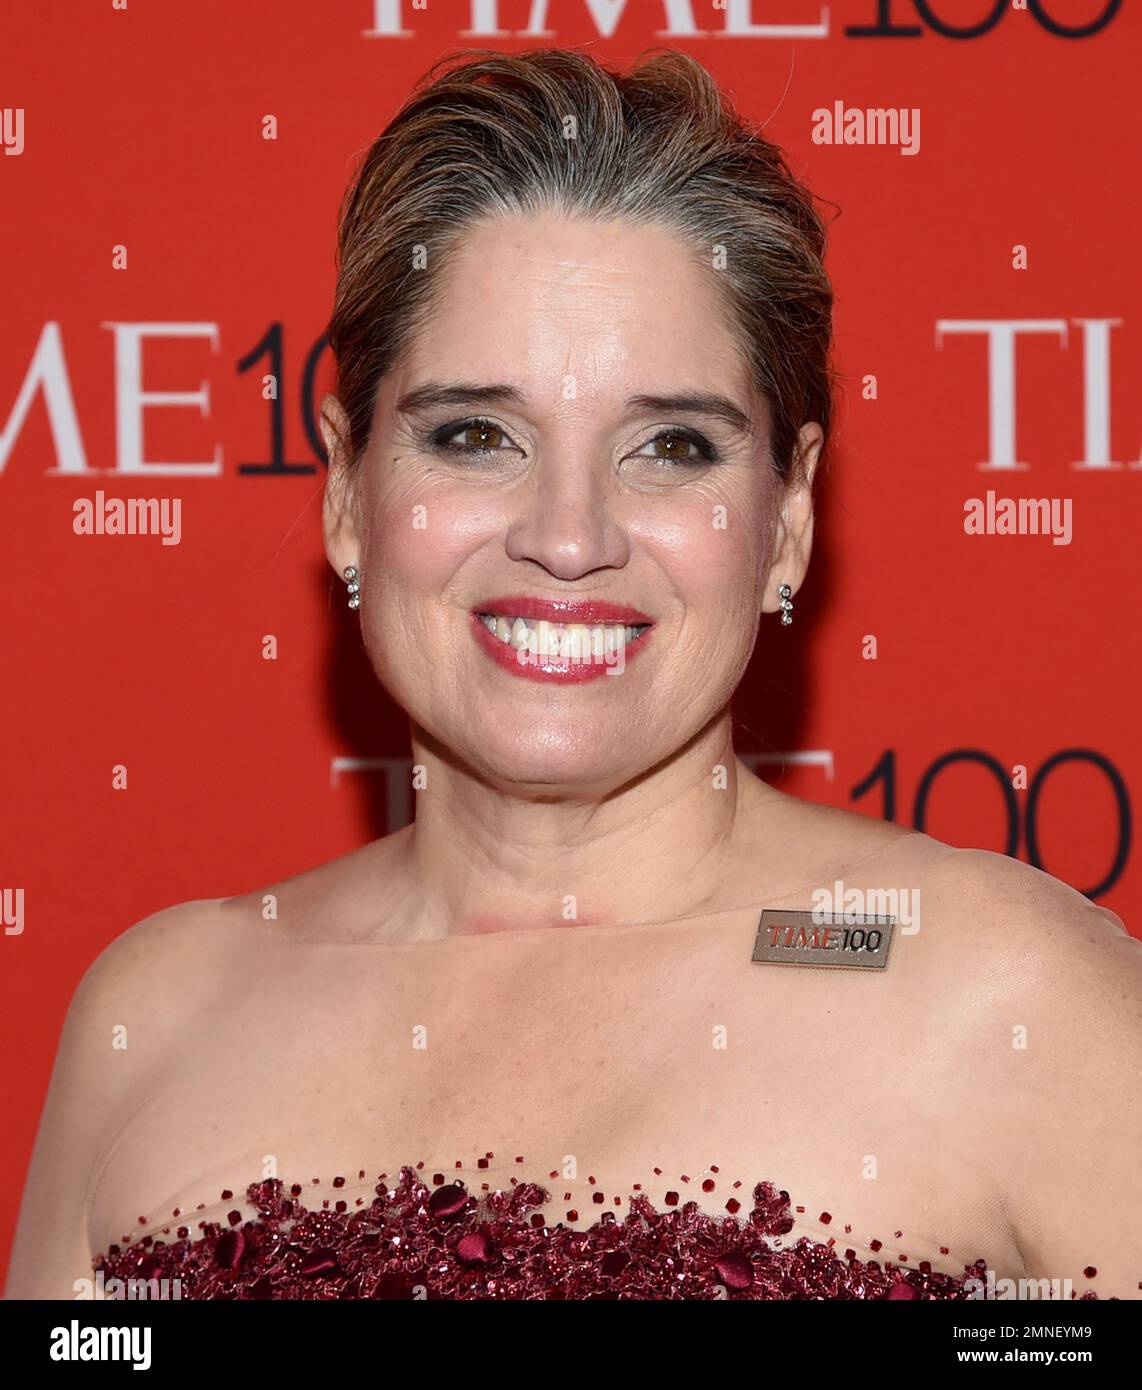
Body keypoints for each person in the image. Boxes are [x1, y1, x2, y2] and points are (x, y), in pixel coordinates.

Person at [7, 47, 1140, 1301]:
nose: (567, 533)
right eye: (475, 435)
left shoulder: (1002, 993)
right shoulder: (155, 1018)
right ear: (344, 486)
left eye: (670, 445)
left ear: (789, 515)